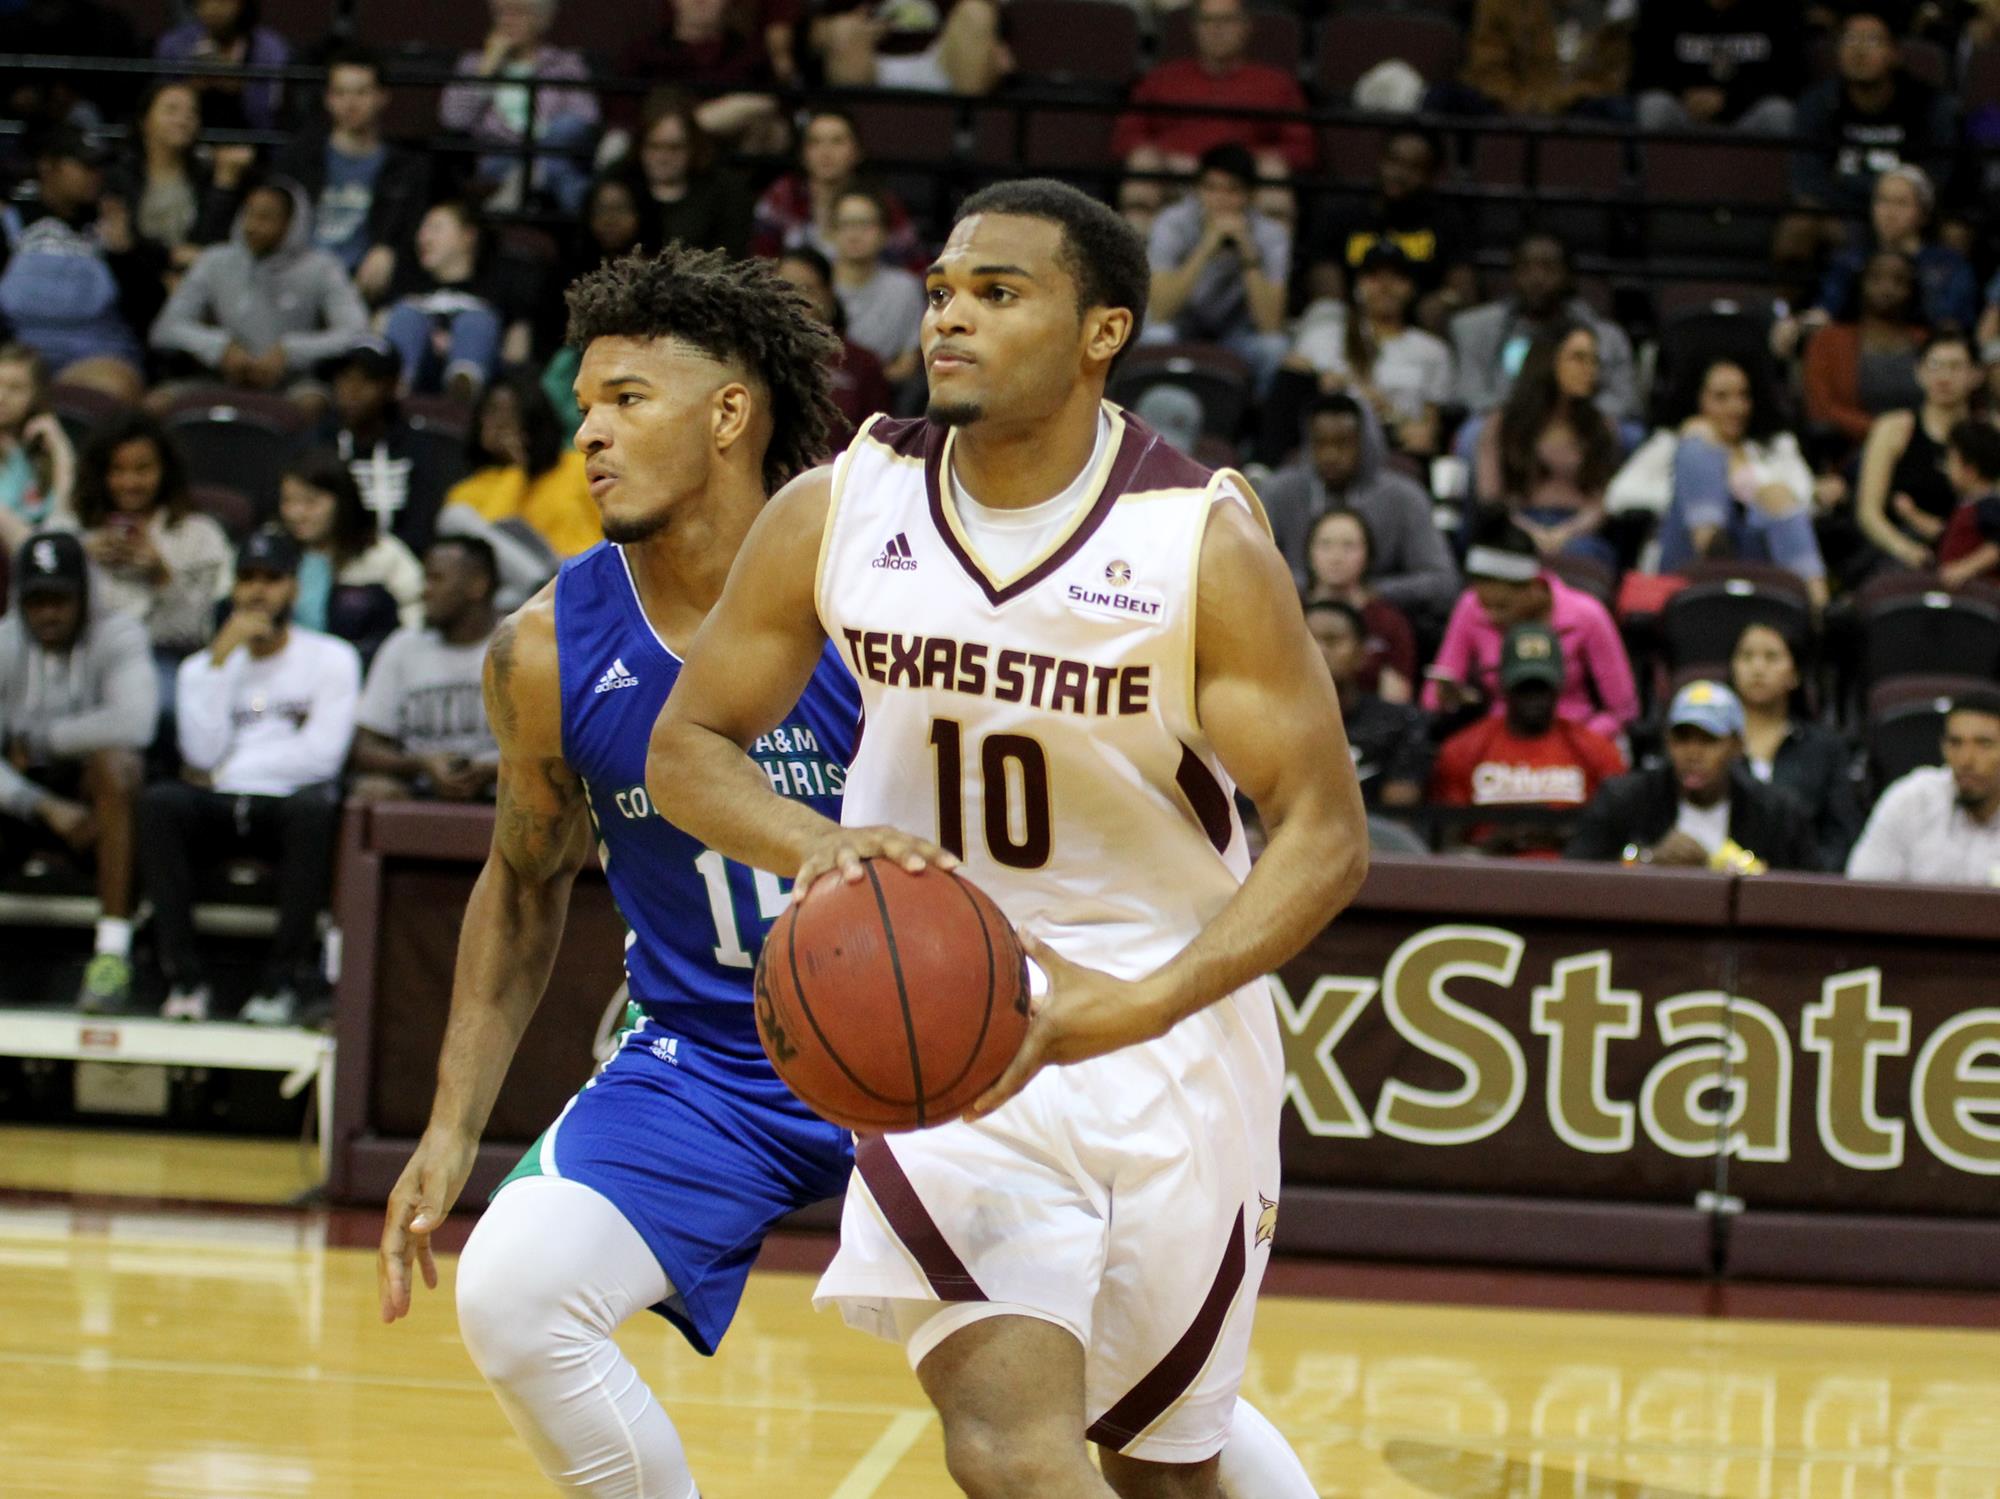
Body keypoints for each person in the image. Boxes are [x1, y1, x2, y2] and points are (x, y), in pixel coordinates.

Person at [372, 238, 1330, 1499]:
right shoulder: (550, 647)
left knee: (1130, 1409)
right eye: (582, 405)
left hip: (958, 1032)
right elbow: (524, 872)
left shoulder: (885, 571)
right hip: (717, 1061)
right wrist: (451, 1122)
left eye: (623, 402)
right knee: (511, 1295)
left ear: (727, 413)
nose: (587, 435)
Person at [648, 177, 1364, 1499]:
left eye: (998, 292)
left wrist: (1135, 1001)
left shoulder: (1195, 539)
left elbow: (1325, 835)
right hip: (947, 1013)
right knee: (1007, 1446)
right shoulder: (838, 504)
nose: (950, 321)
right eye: (939, 293)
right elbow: (687, 745)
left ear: (1103, 331)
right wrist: (816, 843)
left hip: (1168, 1027)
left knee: (1162, 1467)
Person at [141, 527, 361, 1024]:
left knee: (316, 805)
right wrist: (220, 662)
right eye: (247, 578)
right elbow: (200, 750)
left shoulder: (332, 659)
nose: (258, 591)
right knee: (160, 803)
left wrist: (227, 770)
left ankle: (281, 983)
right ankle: (184, 980)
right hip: (218, 806)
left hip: (284, 806)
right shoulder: (205, 665)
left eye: (272, 578)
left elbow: (322, 758)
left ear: (294, 588)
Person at [0, 531, 156, 1009]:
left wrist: (41, 739)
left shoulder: (118, 633)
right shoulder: (4, 642)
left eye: (60, 600)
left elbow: (137, 722)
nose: (48, 613)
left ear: (84, 596)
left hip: (96, 797)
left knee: (118, 764)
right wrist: (44, 807)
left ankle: (111, 956)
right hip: (25, 797)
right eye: (37, 601)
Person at [1608, 356, 1825, 603]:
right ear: (1700, 399)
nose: (1736, 407)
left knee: (1776, 494)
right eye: (1721, 397)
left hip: (1753, 552)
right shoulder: (1672, 442)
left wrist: (1738, 478)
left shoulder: (1775, 447)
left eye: (1743, 395)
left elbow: (1804, 501)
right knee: (1698, 451)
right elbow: (1617, 497)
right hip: (1685, 552)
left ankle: (1818, 607)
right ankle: (1711, 546)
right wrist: (1685, 486)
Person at [1424, 516, 1638, 744]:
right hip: (1498, 739)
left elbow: (1623, 709)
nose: (1490, 615)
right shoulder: (1471, 606)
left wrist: (1578, 742)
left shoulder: (1587, 615)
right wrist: (1452, 699)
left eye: (1502, 606)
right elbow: (1433, 693)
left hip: (1573, 736)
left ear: (1535, 587)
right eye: (1485, 605)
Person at [149, 177, 369, 396]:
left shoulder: (323, 267)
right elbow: (165, 328)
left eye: (265, 218)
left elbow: (357, 332)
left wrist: (291, 352)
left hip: (293, 384)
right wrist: (219, 348)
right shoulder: (214, 260)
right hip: (217, 378)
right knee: (157, 402)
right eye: (249, 214)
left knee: (312, 402)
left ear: (292, 223)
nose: (252, 226)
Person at [1566, 680, 1819, 871]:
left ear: (1737, 746)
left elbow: (1809, 892)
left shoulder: (1776, 813)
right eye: (1682, 738)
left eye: (1709, 740)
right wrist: (1648, 861)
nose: (1693, 753)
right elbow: (1577, 877)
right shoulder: (1623, 799)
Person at [73, 412, 233, 704]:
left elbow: (200, 632)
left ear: (164, 471)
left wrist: (162, 576)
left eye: (142, 469)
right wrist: (78, 560)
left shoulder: (200, 536)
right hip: (81, 659)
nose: (129, 482)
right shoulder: (74, 531)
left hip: (162, 659)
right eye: (117, 470)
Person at [1431, 621, 1626, 857]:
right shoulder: (1462, 750)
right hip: (1488, 880)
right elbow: (1447, 848)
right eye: (1524, 687)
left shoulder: (1599, 752)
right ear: (1503, 685)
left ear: (1559, 686)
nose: (1534, 698)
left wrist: (1559, 835)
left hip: (1572, 879)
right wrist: (1498, 842)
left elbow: (1618, 841)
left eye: (1541, 687)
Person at [0, 125, 163, 401]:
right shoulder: (9, 222)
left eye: (99, 167)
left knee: (112, 390)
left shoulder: (113, 223)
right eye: (84, 166)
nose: (95, 176)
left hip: (97, 355)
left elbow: (151, 309)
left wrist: (124, 254)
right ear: (48, 167)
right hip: (19, 354)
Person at [1261, 393, 1460, 618]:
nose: (1330, 455)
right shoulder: (1279, 491)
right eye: (1320, 443)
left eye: (1342, 443)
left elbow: (1443, 582)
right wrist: (1312, 589)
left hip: (1376, 622)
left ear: (1366, 443)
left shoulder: (1405, 497)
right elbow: (1252, 568)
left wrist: (1373, 592)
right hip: (1290, 617)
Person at [272, 46, 432, 305]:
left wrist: (390, 251)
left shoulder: (405, 169)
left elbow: (417, 233)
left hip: (367, 285)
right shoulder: (299, 158)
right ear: (327, 98)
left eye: (361, 92)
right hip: (297, 280)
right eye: (340, 93)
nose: (350, 103)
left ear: (382, 97)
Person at [348, 536, 502, 802]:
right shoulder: (402, 646)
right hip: (419, 786)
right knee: (371, 791)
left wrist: (490, 771)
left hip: (504, 787)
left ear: (478, 585)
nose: (424, 591)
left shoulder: (522, 644)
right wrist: (422, 764)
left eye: (436, 579)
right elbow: (364, 747)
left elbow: (558, 749)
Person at [1145, 142, 1291, 394]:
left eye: (1232, 190)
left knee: (1274, 348)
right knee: (1157, 336)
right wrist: (1206, 248)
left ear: (1251, 196)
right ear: (1197, 191)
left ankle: (1254, 429)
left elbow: (1270, 324)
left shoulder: (1271, 235)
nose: (1220, 200)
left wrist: (1247, 252)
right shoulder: (1172, 224)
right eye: (1211, 188)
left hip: (1236, 332)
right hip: (1183, 325)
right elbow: (1161, 310)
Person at [1284, 242, 1453, 458]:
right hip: (1325, 441)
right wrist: (1326, 382)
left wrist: (1394, 418)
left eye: (1396, 277)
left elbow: (1428, 428)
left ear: (1411, 288)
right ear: (1358, 285)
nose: (1385, 286)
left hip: (1392, 439)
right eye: (1374, 276)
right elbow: (1291, 377)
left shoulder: (1432, 350)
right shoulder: (1326, 335)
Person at [1111, 0, 1314, 178]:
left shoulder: (1276, 83)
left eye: (1226, 20)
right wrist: (1164, 157)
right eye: (1207, 20)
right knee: (1142, 163)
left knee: (1273, 172)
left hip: (1244, 187)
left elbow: (1303, 149)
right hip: (1173, 178)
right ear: (1194, 28)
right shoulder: (1161, 79)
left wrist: (1247, 163)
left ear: (1246, 26)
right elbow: (1125, 136)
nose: (1216, 29)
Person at [1474, 322, 1621, 567]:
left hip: (1579, 529)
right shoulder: (1503, 424)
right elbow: (1490, 498)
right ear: (1547, 361)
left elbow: (1601, 502)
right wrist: (1532, 533)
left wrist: (1565, 534)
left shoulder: (1601, 427)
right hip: (1516, 524)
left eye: (1594, 361)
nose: (1589, 369)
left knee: (1589, 554)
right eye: (1578, 358)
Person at [1791, 9, 1959, 222]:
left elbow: (1937, 178)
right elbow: (1807, 181)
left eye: (1872, 41)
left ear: (1895, 54)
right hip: (1841, 214)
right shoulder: (1817, 103)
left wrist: (1851, 182)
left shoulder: (1930, 105)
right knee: (1798, 224)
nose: (1859, 51)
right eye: (1850, 39)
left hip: (1909, 218)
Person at [1450, 232, 1637, 423]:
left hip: (1583, 424)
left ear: (1569, 276)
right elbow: (1470, 394)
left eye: (1549, 268)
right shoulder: (1475, 328)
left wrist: (1568, 417)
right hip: (1506, 423)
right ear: (1512, 274)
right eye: (1526, 268)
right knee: (1472, 432)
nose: (1537, 278)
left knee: (1629, 433)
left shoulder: (1607, 337)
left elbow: (1624, 400)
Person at [439, 0, 600, 214]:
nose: (507, 21)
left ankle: (532, 171)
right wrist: (486, 71)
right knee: (565, 175)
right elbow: (453, 118)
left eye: (518, 13)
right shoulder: (473, 64)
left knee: (568, 126)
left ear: (541, 20)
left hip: (554, 147)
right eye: (501, 13)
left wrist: (539, 144)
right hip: (501, 157)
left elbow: (587, 117)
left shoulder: (565, 63)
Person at [1728, 622, 1862, 871]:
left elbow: (1842, 834)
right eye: (1746, 657)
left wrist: (1812, 880)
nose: (1757, 668)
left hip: (1801, 887)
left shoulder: (1826, 749)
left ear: (1795, 673)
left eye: (1771, 657)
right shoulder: (1714, 742)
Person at [1848, 330, 1982, 572]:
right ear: (1919, 373)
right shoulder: (1893, 428)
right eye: (1935, 366)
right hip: (1900, 549)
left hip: (1972, 553)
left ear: (1975, 374)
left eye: (1955, 366)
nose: (1944, 376)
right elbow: (1868, 512)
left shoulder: (1990, 433)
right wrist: (1907, 551)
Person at [1304, 128, 1474, 317]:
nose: (1399, 174)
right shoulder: (1341, 216)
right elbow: (1326, 288)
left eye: (1414, 167)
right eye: (1394, 160)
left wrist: (1444, 300)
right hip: (1352, 327)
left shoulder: (1446, 221)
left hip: (1416, 332)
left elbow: (1464, 291)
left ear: (1431, 176)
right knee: (1326, 312)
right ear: (1380, 159)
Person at [381, 201, 542, 400]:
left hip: (485, 377)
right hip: (418, 373)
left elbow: (517, 357)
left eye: (435, 228)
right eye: (421, 229)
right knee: (405, 314)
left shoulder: (499, 285)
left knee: (476, 320)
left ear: (468, 236)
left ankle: (463, 388)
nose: (422, 237)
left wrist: (460, 344)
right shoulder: (408, 284)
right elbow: (377, 335)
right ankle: (393, 392)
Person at [322, 341, 468, 553]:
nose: (351, 390)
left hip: (405, 563)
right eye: (344, 379)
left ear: (392, 386)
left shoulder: (420, 447)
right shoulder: (319, 442)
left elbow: (423, 522)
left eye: (365, 380)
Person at [1846, 692, 2000, 883]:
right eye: (1955, 742)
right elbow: (1862, 892)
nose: (1966, 759)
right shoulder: (1911, 800)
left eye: (1984, 744)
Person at [107, 80, 250, 281]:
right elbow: (121, 240)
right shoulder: (120, 175)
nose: (183, 120)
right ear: (144, 121)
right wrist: (168, 259)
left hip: (196, 281)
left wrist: (224, 184)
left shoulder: (208, 175)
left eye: (192, 112)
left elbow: (212, 242)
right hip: (136, 282)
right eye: (171, 110)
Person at [749, 109, 925, 272]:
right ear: (803, 153)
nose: (826, 152)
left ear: (857, 151)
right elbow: (760, 267)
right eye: (815, 142)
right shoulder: (782, 196)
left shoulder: (881, 201)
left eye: (837, 141)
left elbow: (914, 266)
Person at [445, 372, 600, 557]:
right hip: (519, 579)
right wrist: (517, 469)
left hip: (582, 568)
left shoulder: (579, 467)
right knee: (456, 516)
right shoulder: (466, 492)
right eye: (492, 411)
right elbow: (494, 542)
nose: (500, 424)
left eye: (511, 412)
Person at [276, 451, 425, 641]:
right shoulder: (272, 548)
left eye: (310, 502)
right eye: (288, 501)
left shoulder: (381, 553)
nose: (296, 513)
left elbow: (416, 607)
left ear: (342, 501)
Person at [1814, 166, 1977, 333]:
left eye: (1901, 203)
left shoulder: (1949, 265)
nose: (1889, 212)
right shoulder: (1851, 261)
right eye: (1882, 201)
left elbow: (1955, 321)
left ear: (1924, 213)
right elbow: (1826, 310)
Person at [1307, 598, 1430, 812]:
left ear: (1362, 653)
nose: (1320, 650)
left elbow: (1399, 817)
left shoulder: (1400, 723)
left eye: (1333, 640)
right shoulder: (1270, 724)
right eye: (1307, 640)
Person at [1802, 249, 1926, 447]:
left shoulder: (1926, 340)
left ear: (1912, 289)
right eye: (1876, 278)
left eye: (1899, 281)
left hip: (1922, 449)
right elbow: (1821, 407)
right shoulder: (1828, 340)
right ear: (1860, 283)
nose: (1887, 288)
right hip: (1853, 449)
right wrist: (1881, 433)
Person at [1439, 0, 1634, 120]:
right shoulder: (1501, 4)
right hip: (1505, 105)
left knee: (1617, 111)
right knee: (1444, 98)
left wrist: (1554, 103)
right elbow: (1488, 67)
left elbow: (1607, 81)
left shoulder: (1612, 13)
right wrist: (1520, 102)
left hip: (1574, 110)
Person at [632, 0, 786, 150]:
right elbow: (626, 122)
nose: (701, 1)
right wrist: (705, 120)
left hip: (733, 161)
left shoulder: (751, 57)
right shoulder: (644, 56)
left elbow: (771, 104)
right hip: (657, 159)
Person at [775, 246, 894, 439]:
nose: (793, 301)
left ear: (828, 295)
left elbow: (881, 441)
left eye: (805, 290)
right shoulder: (754, 359)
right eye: (783, 289)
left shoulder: (863, 364)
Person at [1632, 0, 1802, 134]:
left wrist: (1729, 100)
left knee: (1779, 113)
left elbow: (1789, 81)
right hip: (1684, 117)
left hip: (1747, 118)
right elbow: (1643, 76)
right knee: (1654, 106)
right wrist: (1684, 94)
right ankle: (1653, 178)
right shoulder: (1663, 7)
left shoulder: (1777, 9)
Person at [1301, 508, 1416, 702]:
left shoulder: (1389, 623)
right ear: (1309, 551)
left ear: (1368, 553)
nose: (1336, 557)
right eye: (1325, 545)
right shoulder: (1288, 612)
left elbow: (1396, 701)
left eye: (1349, 546)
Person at [625, 88, 752, 259]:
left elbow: (732, 255)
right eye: (654, 146)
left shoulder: (726, 191)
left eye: (674, 147)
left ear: (693, 147)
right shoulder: (621, 183)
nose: (663, 157)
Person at [829, 187, 926, 387]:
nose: (855, 234)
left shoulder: (905, 289)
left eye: (865, 224)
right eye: (846, 224)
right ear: (832, 232)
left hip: (881, 397)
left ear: (884, 233)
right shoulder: (812, 284)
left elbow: (907, 365)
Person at [811, 0, 1007, 96]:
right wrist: (863, 30)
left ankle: (967, 122)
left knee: (976, 11)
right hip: (872, 65)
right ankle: (843, 136)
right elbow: (816, 33)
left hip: (944, 60)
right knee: (841, 30)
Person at [152, 0, 290, 132]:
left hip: (251, 142)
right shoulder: (173, 45)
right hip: (191, 141)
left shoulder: (270, 49)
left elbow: (271, 114)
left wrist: (237, 85)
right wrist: (192, 86)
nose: (215, 6)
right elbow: (160, 106)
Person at [0, 342, 78, 553]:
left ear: (36, 395)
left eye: (15, 388)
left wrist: (60, 448)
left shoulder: (40, 450)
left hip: (40, 557)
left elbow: (66, 521)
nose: (2, 397)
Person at [1938, 418, 2000, 589]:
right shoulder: (1968, 504)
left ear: (1969, 470)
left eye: (1950, 461)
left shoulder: (1989, 506)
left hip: (1981, 597)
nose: (1946, 468)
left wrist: (1965, 568)